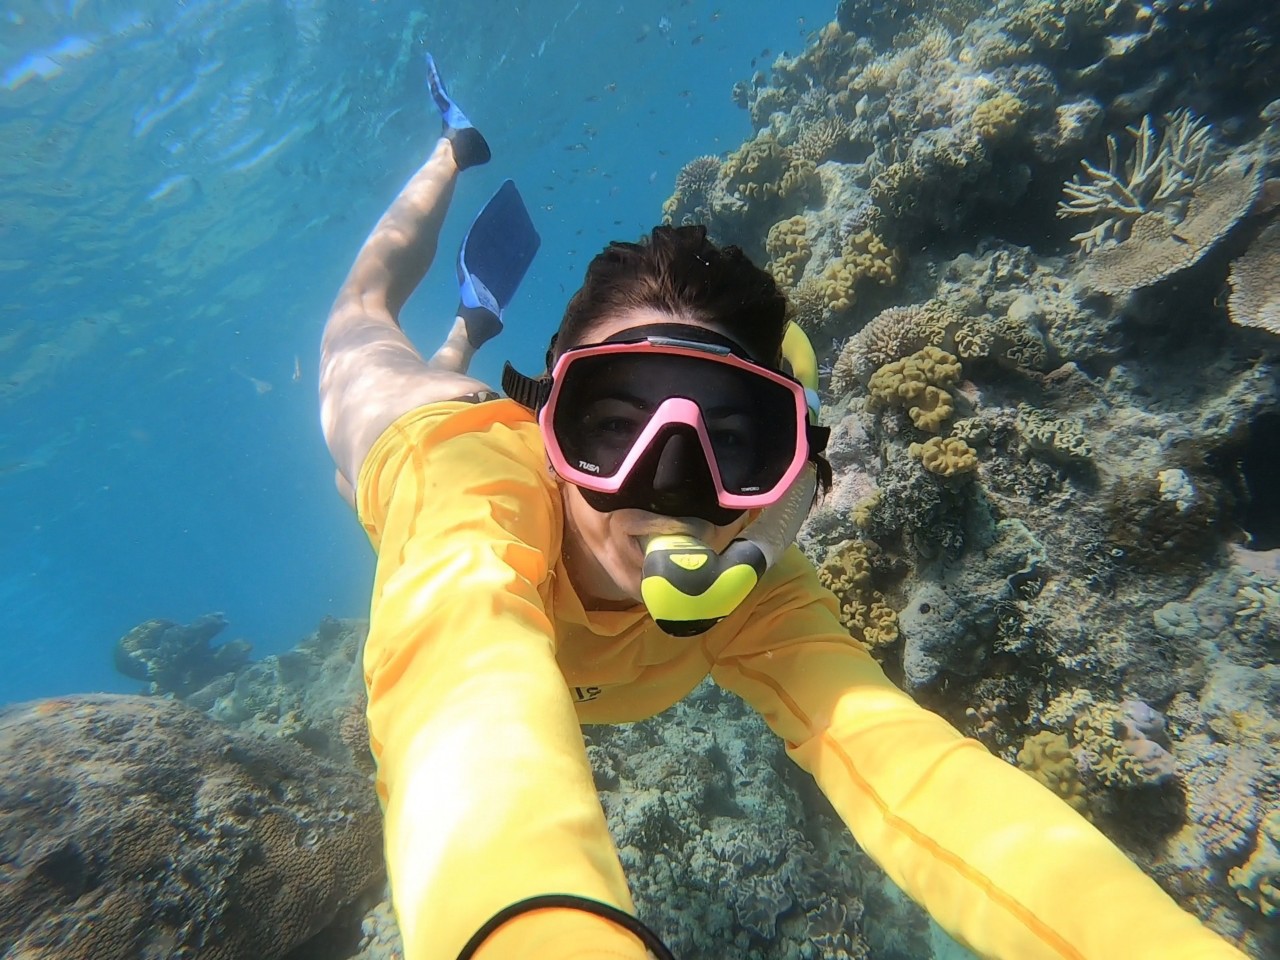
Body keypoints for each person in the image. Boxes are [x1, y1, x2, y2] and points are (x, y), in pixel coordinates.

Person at [319, 56, 1249, 960]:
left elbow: (913, 768)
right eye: (614, 424)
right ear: (552, 427)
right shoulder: (462, 501)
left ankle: (473, 327)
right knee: (361, 316)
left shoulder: (760, 587)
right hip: (429, 427)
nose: (668, 486)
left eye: (730, 438)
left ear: (785, 469)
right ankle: (452, 175)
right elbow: (461, 695)